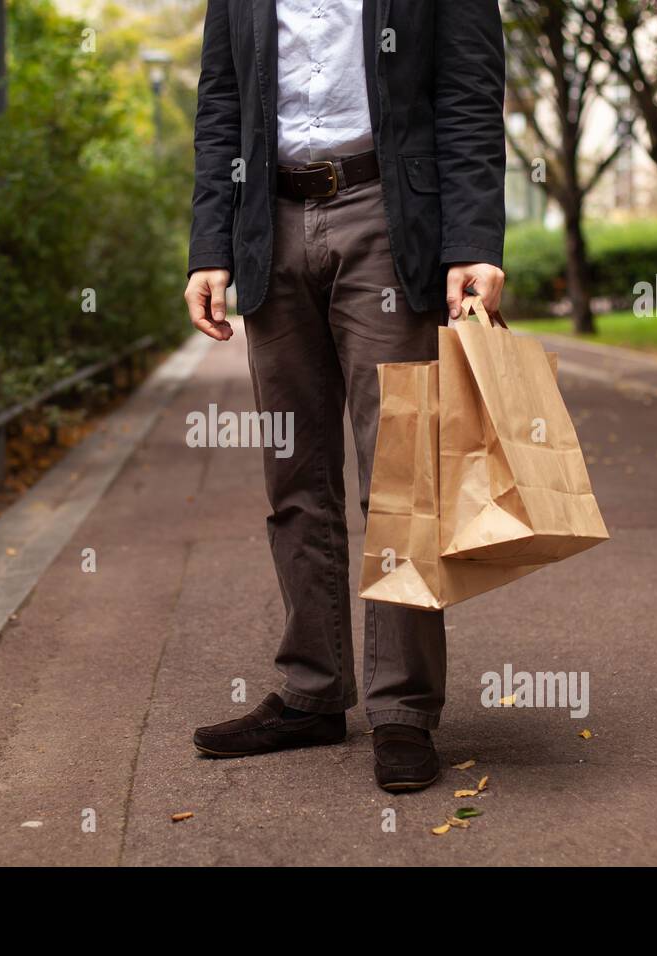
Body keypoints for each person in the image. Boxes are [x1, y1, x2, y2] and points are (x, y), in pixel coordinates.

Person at [183, 0, 507, 792]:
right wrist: (210, 246)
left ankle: (402, 710)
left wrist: (473, 241)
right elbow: (221, 103)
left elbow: (469, 93)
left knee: (401, 477)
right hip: (272, 224)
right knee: (295, 476)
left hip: (388, 221)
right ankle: (314, 690)